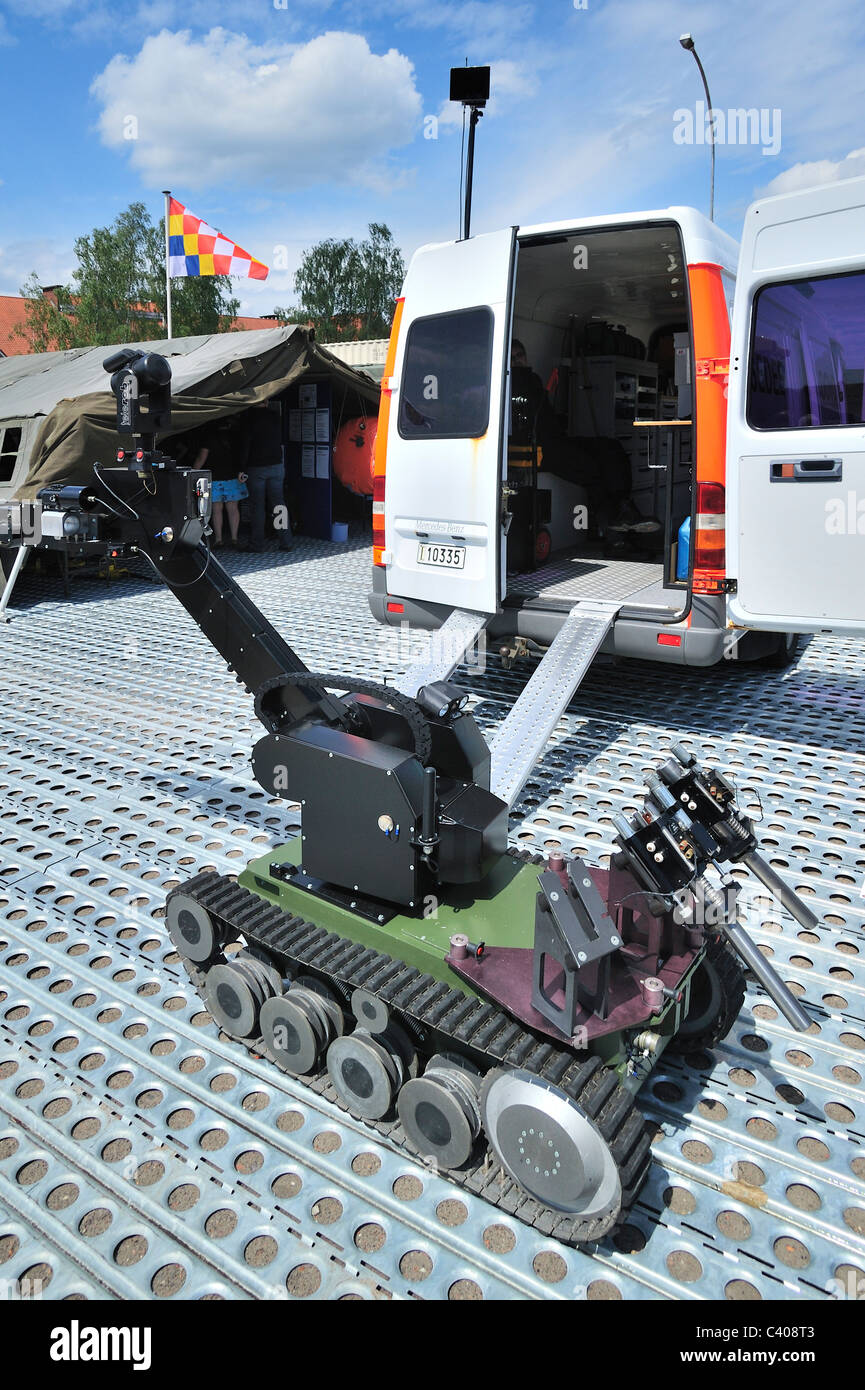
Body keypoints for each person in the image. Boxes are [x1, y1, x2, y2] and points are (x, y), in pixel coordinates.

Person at [242, 400, 292, 553]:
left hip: (256, 468)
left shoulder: (248, 418)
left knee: (258, 507)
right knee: (279, 505)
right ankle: (286, 541)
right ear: (266, 401)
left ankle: (257, 544)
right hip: (276, 465)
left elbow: (245, 445)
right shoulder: (275, 416)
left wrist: (241, 468)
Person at [193, 417, 247, 548]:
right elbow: (242, 455)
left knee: (217, 510)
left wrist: (193, 473)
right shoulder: (235, 436)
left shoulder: (209, 438)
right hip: (233, 477)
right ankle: (234, 538)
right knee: (233, 509)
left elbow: (201, 458)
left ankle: (218, 539)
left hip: (215, 478)